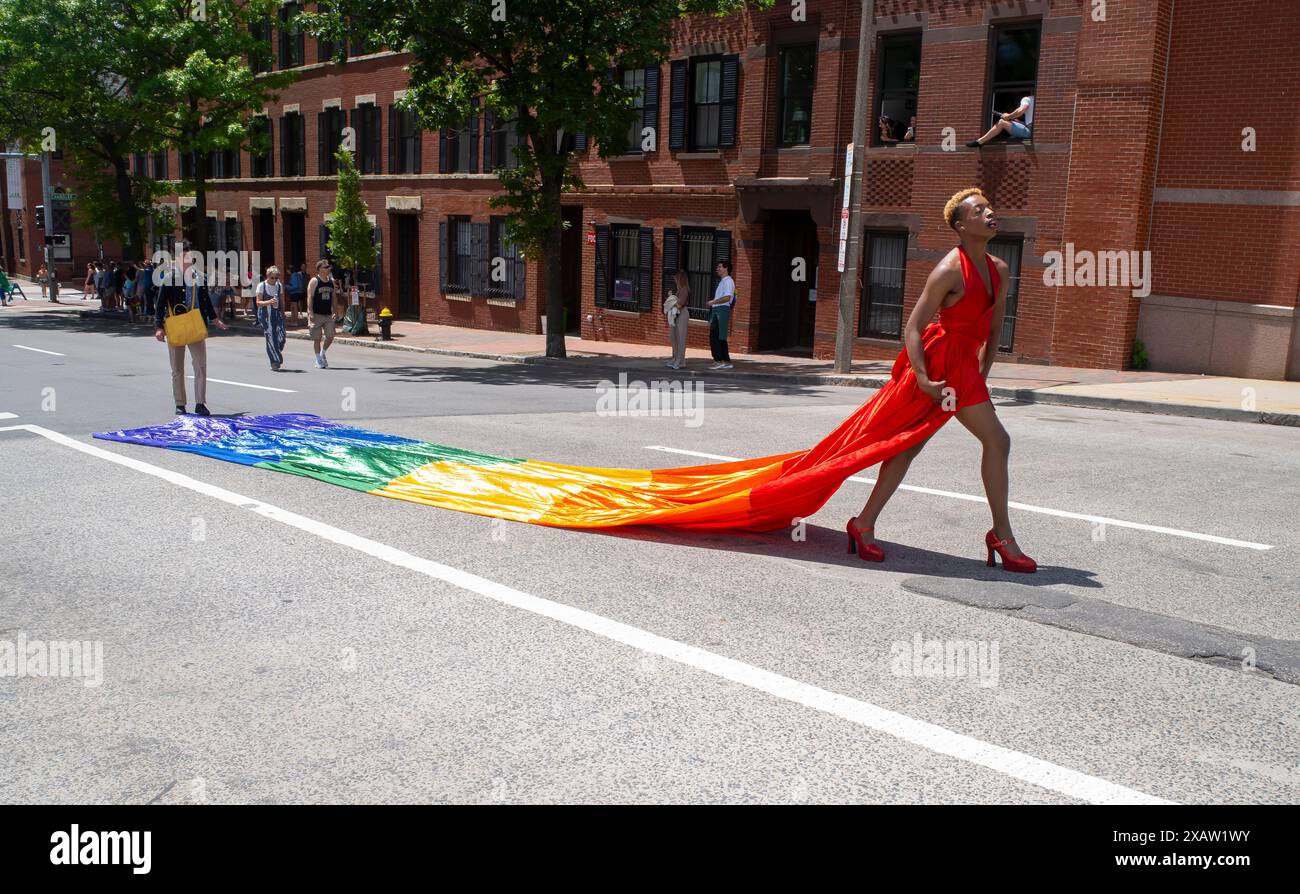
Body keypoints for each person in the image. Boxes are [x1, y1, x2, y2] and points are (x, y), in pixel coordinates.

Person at [846, 187, 1036, 571]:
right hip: (940, 365)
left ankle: (863, 523)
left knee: (916, 447)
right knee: (975, 442)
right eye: (978, 211)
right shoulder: (949, 270)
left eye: (989, 207)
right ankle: (1001, 536)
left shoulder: (1000, 269)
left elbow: (994, 329)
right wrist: (923, 379)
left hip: (965, 367)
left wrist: (982, 376)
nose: (989, 213)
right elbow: (913, 327)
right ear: (961, 226)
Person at [154, 261, 227, 416]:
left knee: (200, 365)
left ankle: (200, 403)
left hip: (195, 325)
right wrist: (159, 327)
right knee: (177, 368)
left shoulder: (199, 277)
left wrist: (214, 318)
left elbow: (205, 299)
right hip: (175, 326)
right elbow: (160, 303)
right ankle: (180, 404)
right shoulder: (170, 278)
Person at [306, 259, 339, 368]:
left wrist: (335, 311)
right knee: (317, 338)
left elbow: (334, 297)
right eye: (326, 267)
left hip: (328, 315)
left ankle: (322, 353)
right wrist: (310, 312)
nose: (329, 268)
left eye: (329, 267)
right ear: (320, 269)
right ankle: (318, 360)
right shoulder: (314, 281)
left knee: (330, 336)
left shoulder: (331, 281)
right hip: (316, 314)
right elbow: (310, 297)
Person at [966, 94, 1033, 147]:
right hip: (1033, 133)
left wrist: (1008, 116)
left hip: (1029, 133)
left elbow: (1022, 110)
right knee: (1012, 135)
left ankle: (980, 142)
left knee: (1001, 122)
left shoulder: (1027, 99)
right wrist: (1018, 122)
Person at [256, 265, 287, 371]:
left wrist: (283, 313)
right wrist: (269, 302)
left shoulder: (279, 286)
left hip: (277, 314)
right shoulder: (261, 286)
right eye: (272, 277)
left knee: (282, 337)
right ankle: (274, 362)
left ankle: (277, 351)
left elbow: (281, 301)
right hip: (265, 316)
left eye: (276, 278)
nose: (274, 280)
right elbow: (258, 302)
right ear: (267, 276)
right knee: (271, 337)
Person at [707, 260, 735, 370]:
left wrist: (713, 302)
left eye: (719, 267)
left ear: (726, 268)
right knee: (719, 336)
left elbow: (727, 297)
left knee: (716, 335)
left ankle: (719, 360)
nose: (717, 269)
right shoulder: (723, 281)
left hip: (721, 311)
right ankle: (725, 361)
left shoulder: (728, 281)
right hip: (718, 310)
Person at [664, 270, 690, 370]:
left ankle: (681, 361)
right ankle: (675, 358)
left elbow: (679, 305)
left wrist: (671, 298)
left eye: (676, 278)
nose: (675, 280)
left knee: (681, 338)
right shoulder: (679, 290)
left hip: (682, 314)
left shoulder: (684, 290)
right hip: (677, 315)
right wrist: (672, 298)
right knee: (673, 337)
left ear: (680, 279)